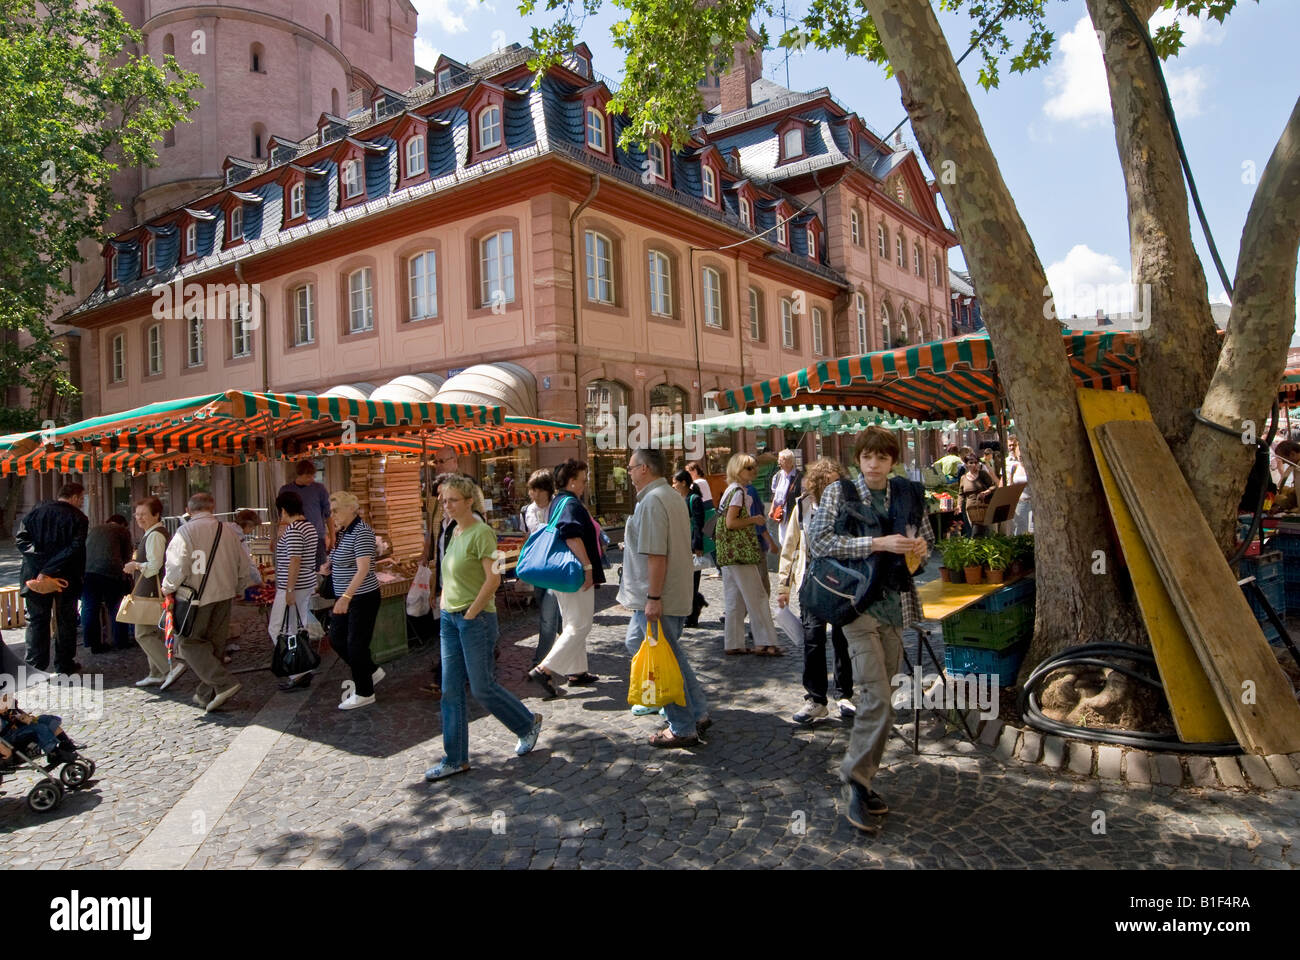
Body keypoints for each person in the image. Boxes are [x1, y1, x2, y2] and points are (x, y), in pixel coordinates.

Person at [807, 426, 933, 832]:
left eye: (882, 457)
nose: (874, 464)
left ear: (893, 461)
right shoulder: (839, 493)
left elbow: (925, 542)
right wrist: (877, 545)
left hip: (896, 608)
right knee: (875, 698)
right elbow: (819, 541)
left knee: (887, 701)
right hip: (855, 607)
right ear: (858, 459)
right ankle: (855, 782)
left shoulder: (909, 494)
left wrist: (918, 550)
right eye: (867, 457)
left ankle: (865, 781)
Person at [425, 475, 542, 780]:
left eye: (452, 500)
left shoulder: (481, 533)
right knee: (450, 691)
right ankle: (455, 759)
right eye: (443, 500)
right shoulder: (455, 533)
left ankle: (526, 723)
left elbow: (493, 580)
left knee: (481, 687)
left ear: (467, 501)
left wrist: (470, 613)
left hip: (474, 619)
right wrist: (443, 602)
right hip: (451, 619)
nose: (446, 505)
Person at [619, 448, 710, 748]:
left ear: (644, 469)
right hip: (668, 593)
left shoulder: (655, 500)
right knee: (671, 655)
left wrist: (653, 598)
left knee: (655, 655)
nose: (629, 473)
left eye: (631, 468)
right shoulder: (668, 496)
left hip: (659, 595)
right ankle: (696, 712)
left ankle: (683, 725)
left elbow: (657, 555)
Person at [778, 457, 855, 724]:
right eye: (829, 482)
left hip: (841, 584)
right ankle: (816, 699)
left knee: (843, 639)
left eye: (839, 482)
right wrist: (783, 586)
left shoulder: (849, 507)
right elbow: (790, 548)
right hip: (810, 584)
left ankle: (845, 695)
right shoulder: (804, 507)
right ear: (819, 484)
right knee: (813, 640)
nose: (835, 487)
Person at [161, 492, 254, 712]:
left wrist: (167, 587)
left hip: (196, 598)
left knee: (189, 642)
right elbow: (243, 563)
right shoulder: (228, 532)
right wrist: (240, 587)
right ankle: (205, 694)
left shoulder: (185, 531)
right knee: (215, 646)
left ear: (189, 509)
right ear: (212, 507)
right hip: (224, 594)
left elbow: (176, 566)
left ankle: (224, 684)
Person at [527, 459, 603, 696]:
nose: (585, 483)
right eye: (582, 479)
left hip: (563, 573)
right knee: (580, 625)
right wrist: (588, 567)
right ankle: (544, 669)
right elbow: (571, 536)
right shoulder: (570, 503)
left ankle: (577, 671)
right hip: (574, 572)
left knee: (572, 622)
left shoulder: (560, 501)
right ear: (572, 481)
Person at [16, 482, 89, 676]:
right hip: (66, 576)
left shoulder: (35, 511)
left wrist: (42, 566)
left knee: (37, 620)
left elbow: (21, 540)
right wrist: (50, 567)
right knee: (66, 621)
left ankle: (34, 666)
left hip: (34, 574)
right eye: (81, 499)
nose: (82, 502)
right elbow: (74, 548)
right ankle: (64, 664)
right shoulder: (78, 517)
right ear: (74, 497)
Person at [322, 491, 383, 710]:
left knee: (355, 645)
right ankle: (371, 671)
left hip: (361, 597)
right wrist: (329, 566)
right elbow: (344, 559)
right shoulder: (344, 531)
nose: (333, 515)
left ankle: (365, 692)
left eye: (336, 510)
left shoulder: (362, 531)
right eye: (331, 511)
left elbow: (364, 569)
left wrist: (346, 598)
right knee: (337, 639)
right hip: (345, 596)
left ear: (351, 509)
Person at [717, 453, 782, 656]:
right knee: (757, 596)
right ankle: (766, 642)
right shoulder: (739, 492)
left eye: (754, 467)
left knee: (734, 599)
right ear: (738, 470)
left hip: (728, 553)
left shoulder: (731, 490)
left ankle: (733, 642)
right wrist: (754, 519)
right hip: (740, 552)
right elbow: (731, 522)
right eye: (749, 468)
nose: (754, 471)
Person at [123, 497, 185, 689]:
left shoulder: (155, 535)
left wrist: (135, 565)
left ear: (156, 515)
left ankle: (170, 667)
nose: (139, 518)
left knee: (143, 633)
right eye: (137, 514)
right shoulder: (154, 533)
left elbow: (155, 565)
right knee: (154, 632)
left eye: (143, 514)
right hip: (153, 590)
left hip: (151, 591)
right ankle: (157, 672)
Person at [270, 489, 323, 692]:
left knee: (278, 628)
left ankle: (297, 671)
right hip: (305, 584)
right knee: (293, 627)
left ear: (283, 510)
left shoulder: (294, 530)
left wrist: (289, 589)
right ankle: (301, 668)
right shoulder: (308, 527)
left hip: (292, 586)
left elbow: (294, 560)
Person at [520, 469, 562, 671]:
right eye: (531, 490)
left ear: (548, 490)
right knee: (559, 618)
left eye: (538, 491)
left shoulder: (558, 507)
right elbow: (526, 539)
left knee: (548, 616)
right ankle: (570, 651)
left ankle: (541, 662)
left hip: (555, 570)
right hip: (537, 570)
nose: (534, 495)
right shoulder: (526, 510)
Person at [80, 513, 134, 653]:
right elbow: (127, 556)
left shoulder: (95, 529)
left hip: (88, 572)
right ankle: (121, 641)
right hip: (111, 573)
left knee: (90, 608)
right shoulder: (123, 531)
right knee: (116, 607)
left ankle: (93, 644)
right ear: (123, 524)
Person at [279, 459, 333, 571]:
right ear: (299, 475)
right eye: (308, 477)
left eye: (313, 476)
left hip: (317, 536)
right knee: (296, 567)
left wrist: (332, 536)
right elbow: (282, 517)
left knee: (321, 569)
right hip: (293, 536)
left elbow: (328, 514)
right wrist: (278, 538)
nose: (311, 479)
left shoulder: (319, 489)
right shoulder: (286, 490)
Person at [673, 470, 709, 628]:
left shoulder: (694, 499)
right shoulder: (680, 498)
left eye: (675, 482)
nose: (673, 485)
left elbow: (698, 525)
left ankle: (692, 616)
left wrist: (697, 546)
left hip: (692, 545)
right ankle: (696, 601)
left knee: (691, 581)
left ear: (683, 483)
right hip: (681, 544)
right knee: (685, 580)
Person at [958, 450, 998, 536]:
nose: (974, 465)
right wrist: (959, 506)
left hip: (984, 507)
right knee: (974, 529)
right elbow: (961, 494)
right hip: (970, 509)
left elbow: (994, 486)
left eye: (976, 462)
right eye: (971, 463)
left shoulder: (983, 474)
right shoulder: (963, 478)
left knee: (983, 531)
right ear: (966, 464)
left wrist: (987, 491)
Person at [769, 449, 802, 545]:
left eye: (781, 459)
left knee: (793, 541)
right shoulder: (778, 476)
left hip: (793, 515)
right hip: (781, 515)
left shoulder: (799, 477)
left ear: (790, 462)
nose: (778, 462)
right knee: (782, 541)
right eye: (778, 459)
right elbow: (775, 495)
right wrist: (772, 509)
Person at [1006, 436, 1033, 535]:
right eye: (1019, 455)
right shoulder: (1014, 467)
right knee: (1019, 530)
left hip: (1032, 502)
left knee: (1032, 530)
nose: (1021, 457)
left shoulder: (1032, 468)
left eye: (1023, 455)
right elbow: (1011, 485)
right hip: (1020, 503)